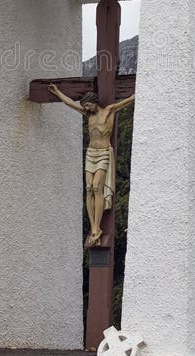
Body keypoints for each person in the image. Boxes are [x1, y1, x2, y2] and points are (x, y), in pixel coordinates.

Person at [47, 84, 135, 247]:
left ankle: (97, 226)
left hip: (103, 153)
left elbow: (128, 101)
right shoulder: (88, 114)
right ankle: (94, 227)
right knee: (88, 188)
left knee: (96, 187)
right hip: (91, 153)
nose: (86, 108)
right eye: (85, 106)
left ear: (94, 102)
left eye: (88, 105)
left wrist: (139, 92)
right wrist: (57, 92)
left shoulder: (108, 110)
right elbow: (69, 103)